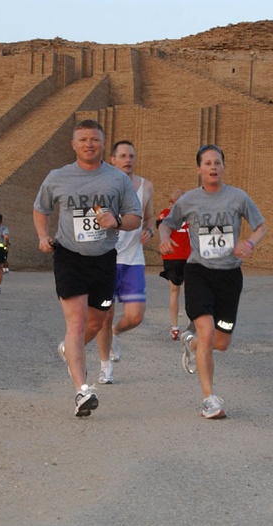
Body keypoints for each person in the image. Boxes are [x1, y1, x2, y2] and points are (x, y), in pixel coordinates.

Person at [33, 118, 142, 417]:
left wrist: (116, 221)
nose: (89, 144)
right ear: (74, 145)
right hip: (69, 256)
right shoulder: (58, 176)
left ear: (103, 144)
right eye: (83, 140)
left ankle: (71, 349)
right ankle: (82, 391)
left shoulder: (117, 179)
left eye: (94, 139)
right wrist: (43, 236)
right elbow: (40, 208)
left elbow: (136, 217)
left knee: (96, 322)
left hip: (104, 258)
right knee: (77, 322)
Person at [158, 144, 267, 419]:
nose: (213, 167)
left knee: (220, 343)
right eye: (207, 163)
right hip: (199, 272)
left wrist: (250, 244)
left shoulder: (238, 197)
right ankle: (209, 399)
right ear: (199, 169)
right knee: (207, 332)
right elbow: (166, 223)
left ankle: (191, 343)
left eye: (217, 162)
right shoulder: (189, 200)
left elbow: (261, 226)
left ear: (223, 166)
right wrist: (164, 239)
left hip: (230, 275)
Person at [95, 140, 155, 384]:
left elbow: (149, 218)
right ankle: (105, 366)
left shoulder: (146, 186)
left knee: (135, 316)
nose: (127, 159)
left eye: (131, 155)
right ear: (113, 159)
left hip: (133, 260)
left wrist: (149, 232)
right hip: (106, 258)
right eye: (122, 155)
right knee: (104, 315)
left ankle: (115, 334)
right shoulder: (101, 184)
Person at [157, 190, 187, 340]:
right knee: (175, 290)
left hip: (190, 257)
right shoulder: (166, 213)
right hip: (173, 257)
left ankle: (193, 325)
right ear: (172, 201)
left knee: (192, 292)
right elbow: (162, 227)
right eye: (179, 199)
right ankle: (175, 326)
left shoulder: (191, 214)